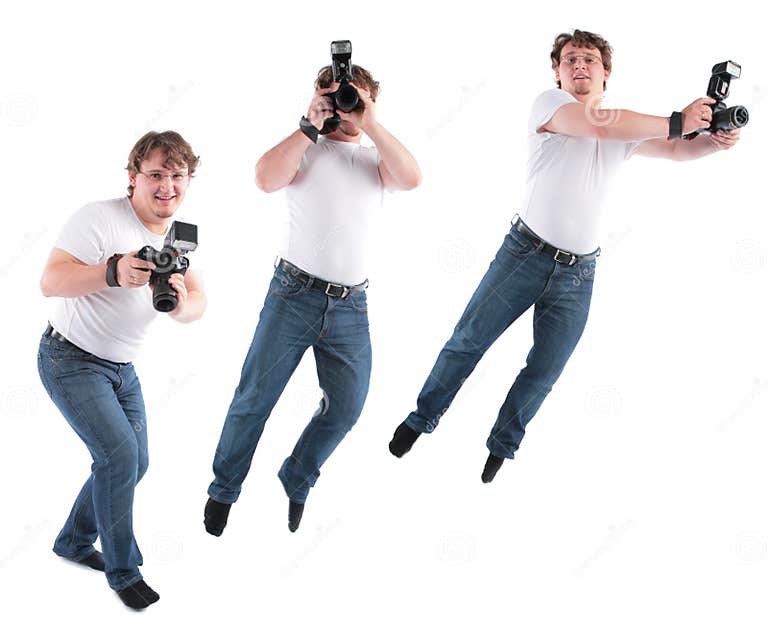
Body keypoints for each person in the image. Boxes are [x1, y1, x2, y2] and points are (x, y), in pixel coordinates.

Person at [389, 29, 741, 481]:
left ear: (605, 74)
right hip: (523, 255)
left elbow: (675, 148)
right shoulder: (549, 106)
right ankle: (420, 420)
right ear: (556, 73)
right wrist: (678, 119)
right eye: (570, 59)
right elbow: (601, 123)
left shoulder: (625, 127)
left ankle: (502, 445)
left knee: (546, 368)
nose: (580, 65)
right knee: (468, 342)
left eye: (590, 59)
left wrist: (714, 139)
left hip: (579, 273)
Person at [205, 61, 421, 534]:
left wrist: (371, 122)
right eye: (335, 94)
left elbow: (411, 178)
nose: (344, 104)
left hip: (351, 306)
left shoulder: (374, 159)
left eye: (354, 97)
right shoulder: (305, 148)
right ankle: (223, 490)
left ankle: (297, 474)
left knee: (347, 406)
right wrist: (308, 126)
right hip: (293, 295)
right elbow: (264, 178)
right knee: (254, 398)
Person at [38, 131, 206, 609]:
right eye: (155, 175)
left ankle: (73, 541)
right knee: (118, 457)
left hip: (121, 368)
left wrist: (179, 309)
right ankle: (124, 571)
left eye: (177, 176)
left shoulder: (177, 236)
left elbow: (199, 299)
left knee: (137, 461)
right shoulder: (99, 218)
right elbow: (50, 281)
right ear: (133, 177)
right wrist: (110, 272)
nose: (167, 186)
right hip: (69, 358)